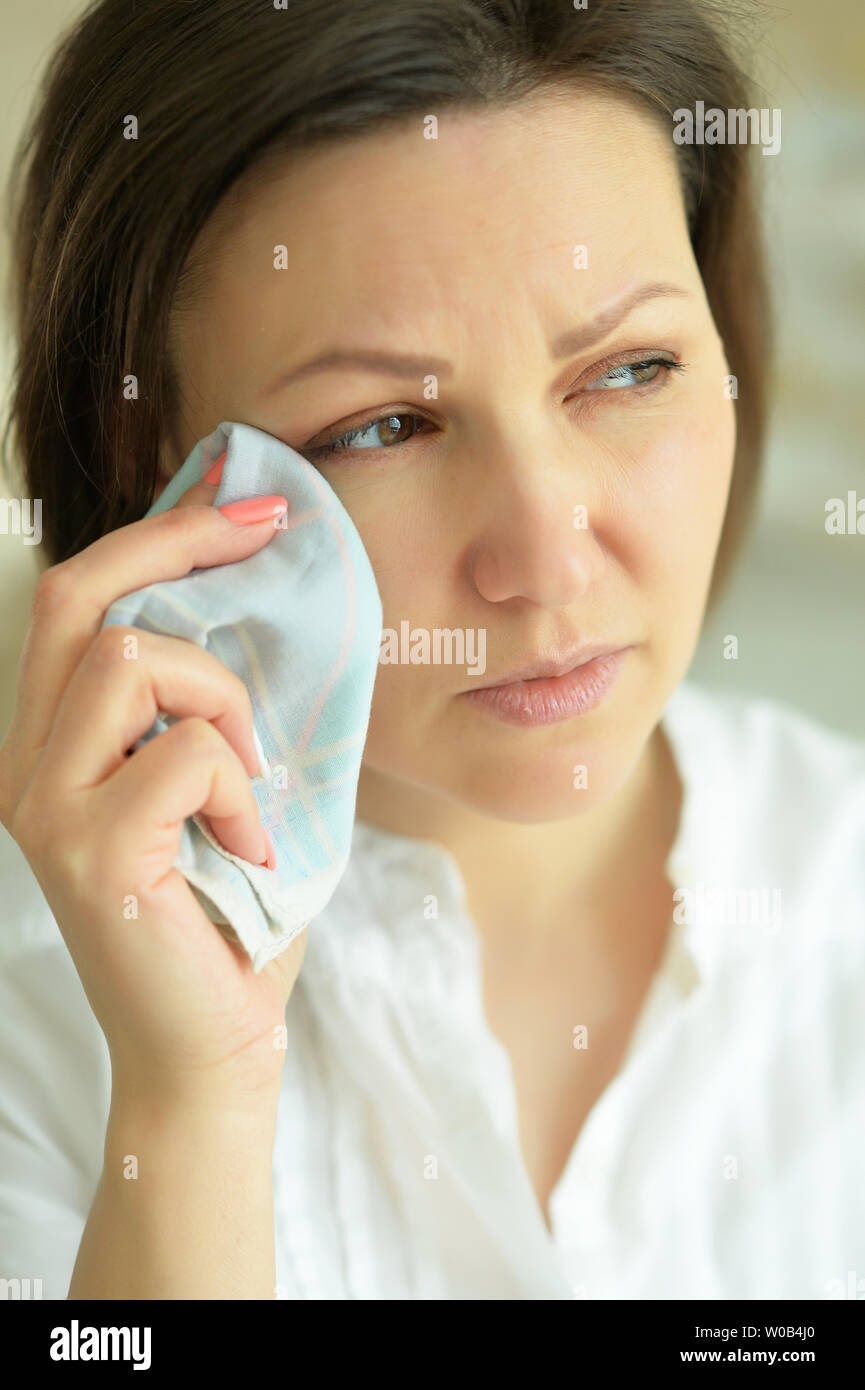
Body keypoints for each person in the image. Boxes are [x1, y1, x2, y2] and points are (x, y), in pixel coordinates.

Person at [1, 0, 862, 1301]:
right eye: (387, 425)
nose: (549, 561)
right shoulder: (33, 1011)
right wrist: (188, 1106)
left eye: (630, 371)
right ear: (158, 461)